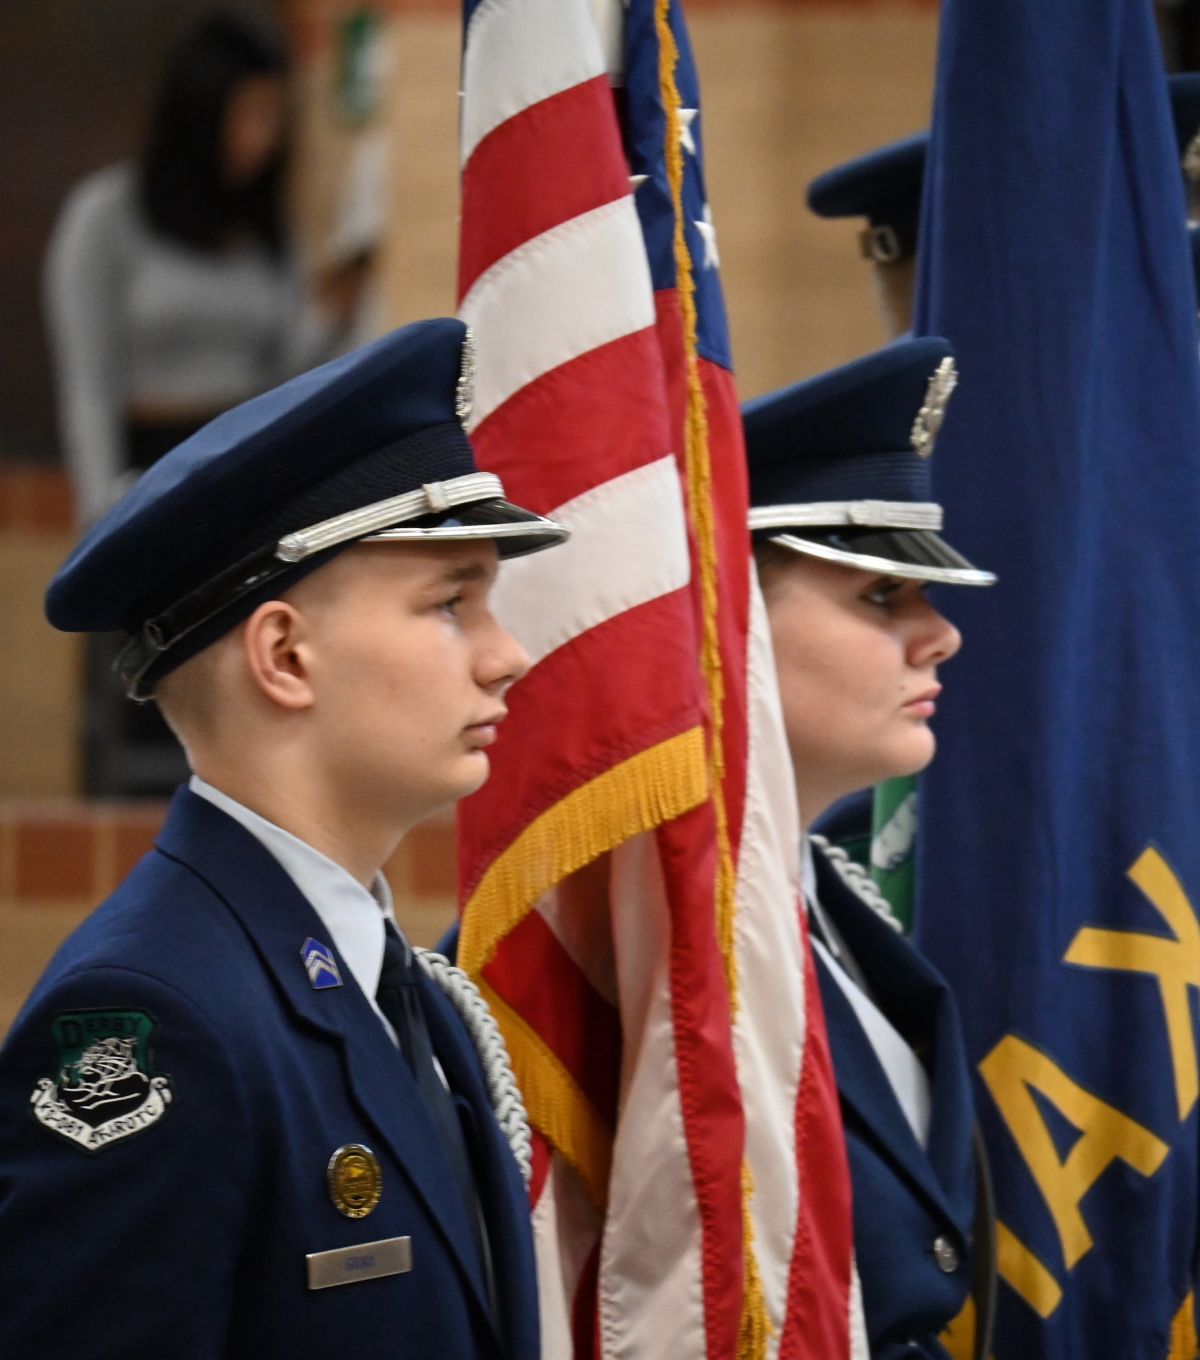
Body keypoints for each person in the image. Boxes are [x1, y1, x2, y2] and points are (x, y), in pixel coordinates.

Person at [0, 317, 566, 1358]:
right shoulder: (157, 1014)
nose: (507, 655)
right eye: (451, 603)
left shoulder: (398, 989)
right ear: (286, 657)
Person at [743, 336, 997, 1360]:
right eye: (881, 596)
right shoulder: (612, 956)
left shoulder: (833, 906)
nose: (941, 635)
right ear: (729, 619)